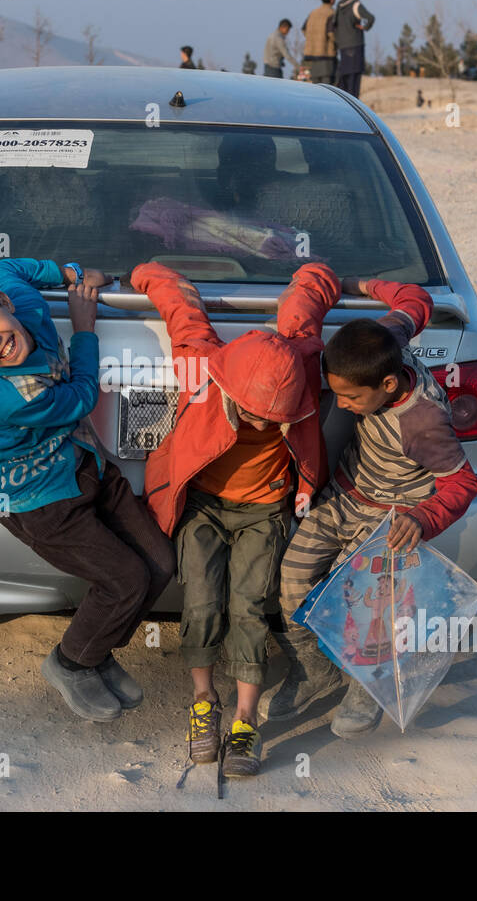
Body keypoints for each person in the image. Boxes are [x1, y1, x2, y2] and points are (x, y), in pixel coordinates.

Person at [0, 259, 175, 723]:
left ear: (4, 305)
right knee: (125, 579)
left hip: (84, 464)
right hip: (40, 502)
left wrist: (71, 274)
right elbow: (83, 395)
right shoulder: (13, 396)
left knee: (160, 562)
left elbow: (3, 268)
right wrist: (84, 327)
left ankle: (95, 651)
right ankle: (70, 662)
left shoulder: (22, 302)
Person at [131, 260, 341, 777]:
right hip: (203, 504)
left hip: (264, 508)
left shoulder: (300, 366)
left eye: (276, 419)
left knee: (250, 607)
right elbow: (182, 310)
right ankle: (204, 702)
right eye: (253, 414)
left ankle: (245, 722)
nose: (263, 423)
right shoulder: (201, 364)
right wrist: (146, 273)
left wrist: (321, 274)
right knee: (200, 601)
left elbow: (304, 311)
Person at [262, 278, 477, 737]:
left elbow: (463, 483)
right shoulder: (386, 341)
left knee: (367, 607)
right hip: (342, 498)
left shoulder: (422, 423)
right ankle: (312, 671)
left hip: (389, 520)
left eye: (350, 398)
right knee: (292, 582)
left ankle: (369, 684)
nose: (341, 405)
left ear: (387, 382)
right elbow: (414, 301)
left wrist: (420, 518)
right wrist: (357, 284)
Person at [332, 0, 374, 99]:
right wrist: (365, 27)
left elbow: (334, 24)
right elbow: (371, 18)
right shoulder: (356, 5)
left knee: (344, 78)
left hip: (343, 46)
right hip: (356, 44)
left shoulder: (340, 5)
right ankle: (353, 106)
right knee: (354, 80)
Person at [301, 0, 338, 85]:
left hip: (312, 57)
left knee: (316, 87)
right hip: (327, 55)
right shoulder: (332, 13)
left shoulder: (313, 13)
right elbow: (331, 33)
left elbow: (304, 30)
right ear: (332, 0)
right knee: (328, 88)